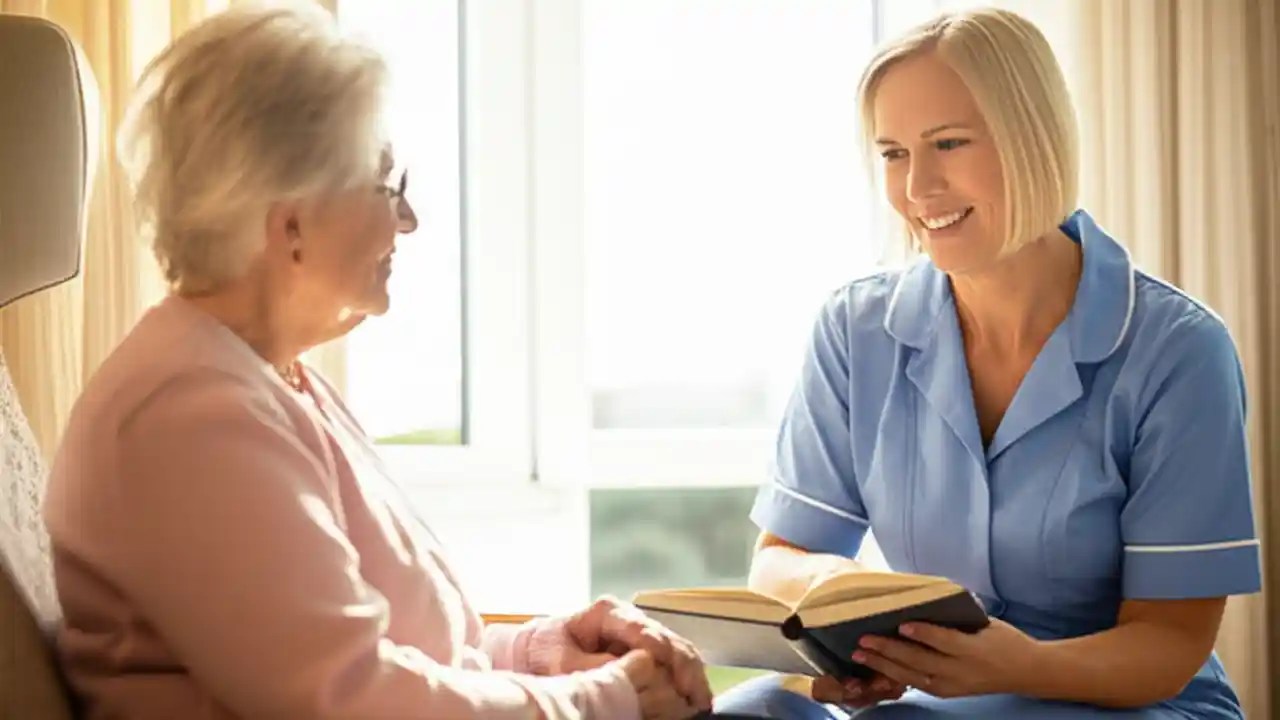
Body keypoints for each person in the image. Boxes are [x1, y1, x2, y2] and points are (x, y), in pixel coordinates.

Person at [42, 4, 714, 719]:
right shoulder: (187, 417)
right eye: (386, 185)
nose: (408, 220)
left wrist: (546, 652)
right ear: (291, 221)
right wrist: (598, 702)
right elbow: (353, 699)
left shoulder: (269, 382)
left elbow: (399, 652)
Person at [714, 7, 1261, 719]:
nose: (916, 189)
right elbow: (780, 557)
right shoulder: (856, 328)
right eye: (893, 153)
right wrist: (845, 611)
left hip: (1128, 704)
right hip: (930, 697)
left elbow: (1168, 644)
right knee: (754, 710)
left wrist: (1015, 664)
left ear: (1033, 139)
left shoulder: (1177, 351)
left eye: (948, 143)